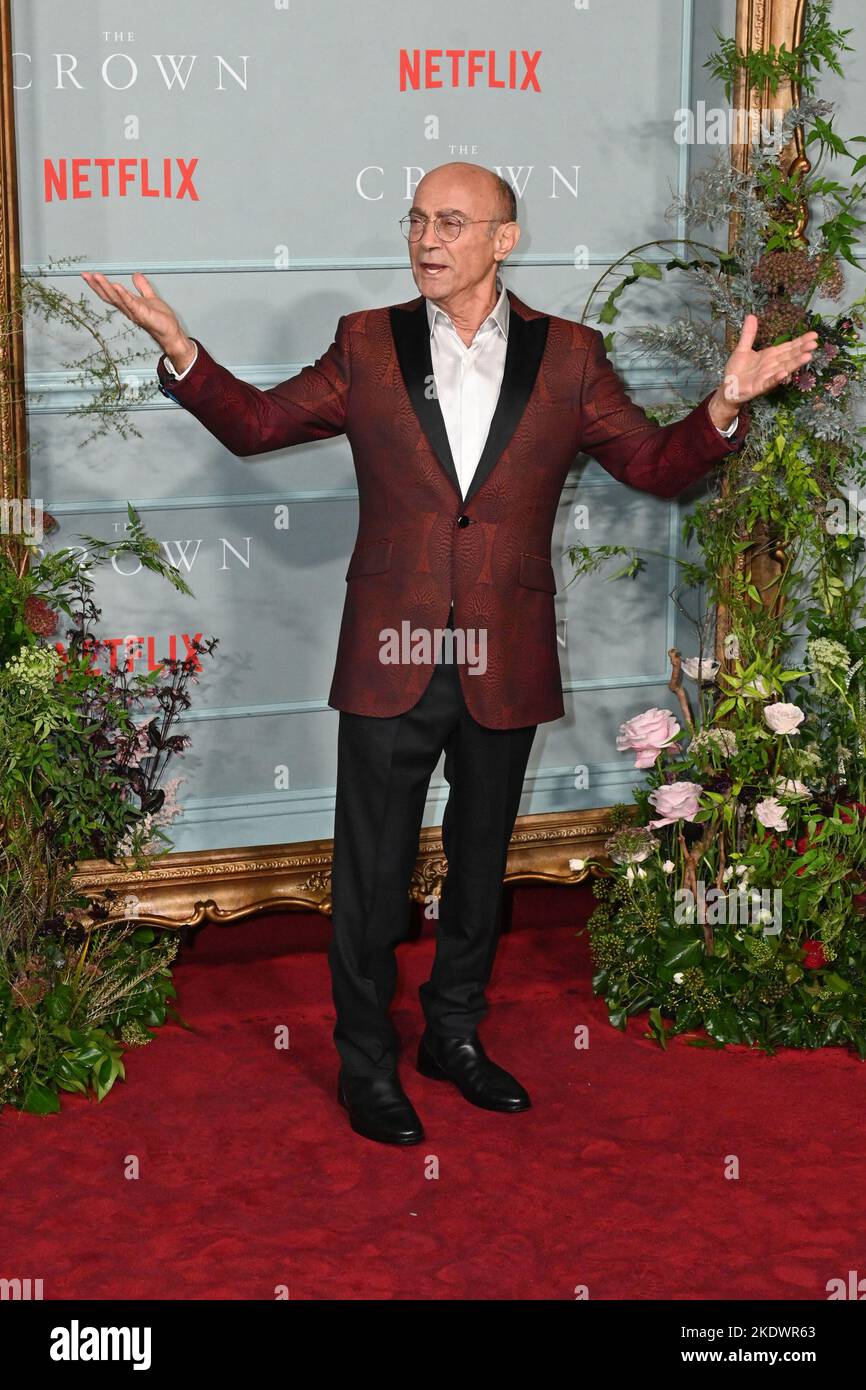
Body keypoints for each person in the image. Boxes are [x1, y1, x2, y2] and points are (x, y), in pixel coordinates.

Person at [82, 161, 818, 1147]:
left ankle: (453, 1037)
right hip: (392, 646)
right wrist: (180, 350)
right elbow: (259, 426)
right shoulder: (367, 343)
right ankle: (365, 1065)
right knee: (370, 869)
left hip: (503, 649)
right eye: (417, 219)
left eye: (453, 221)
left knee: (479, 862)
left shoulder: (568, 356)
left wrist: (722, 405)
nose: (428, 238)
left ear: (502, 241)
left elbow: (651, 467)